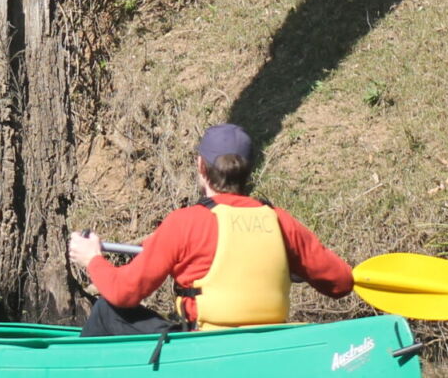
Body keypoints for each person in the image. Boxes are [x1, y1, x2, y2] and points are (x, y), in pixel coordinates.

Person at [67, 123, 353, 337]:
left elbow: (123, 292)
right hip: (268, 342)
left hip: (206, 343)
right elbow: (341, 283)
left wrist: (93, 259)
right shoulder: (280, 221)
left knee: (107, 310)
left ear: (201, 166)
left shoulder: (185, 223)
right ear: (248, 171)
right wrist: (291, 265)